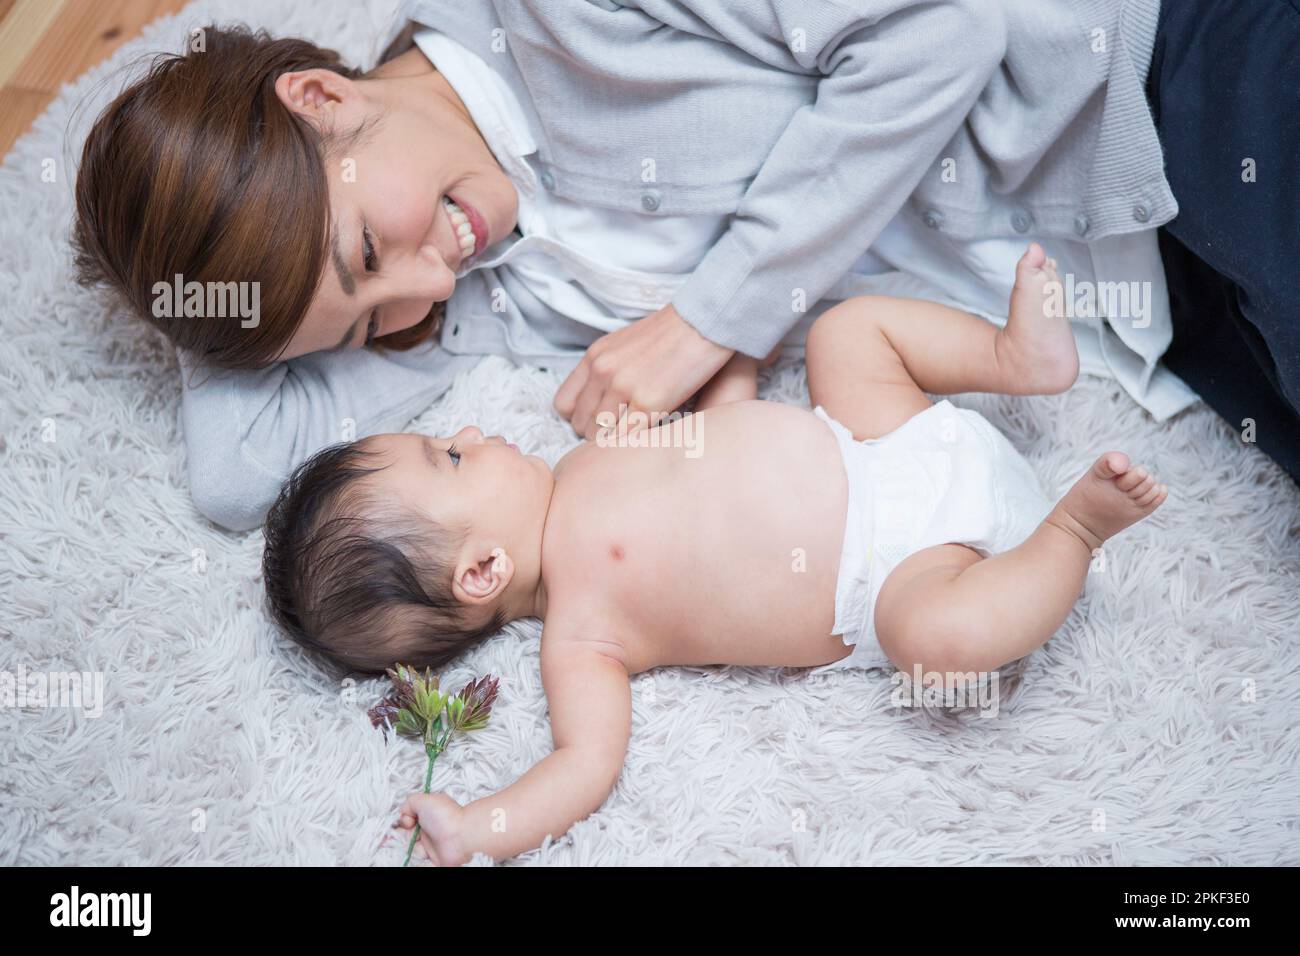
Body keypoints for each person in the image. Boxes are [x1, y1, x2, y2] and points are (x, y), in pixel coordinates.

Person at [71, 1, 1290, 536]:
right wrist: (212, 283)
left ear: (322, 92)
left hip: (1151, 74)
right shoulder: (482, 296)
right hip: (1151, 305)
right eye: (369, 318)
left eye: (364, 251)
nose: (426, 283)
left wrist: (712, 316)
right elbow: (236, 482)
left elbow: (939, 29)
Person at [259, 244, 1165, 864]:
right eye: (449, 457)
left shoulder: (589, 455)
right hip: (907, 564)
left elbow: (713, 431)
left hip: (874, 437)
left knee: (844, 336)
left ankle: (1015, 358)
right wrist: (478, 827)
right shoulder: (581, 636)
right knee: (933, 644)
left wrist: (738, 349)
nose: (465, 428)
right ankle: (1072, 534)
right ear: (483, 573)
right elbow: (582, 766)